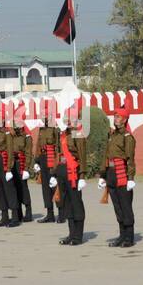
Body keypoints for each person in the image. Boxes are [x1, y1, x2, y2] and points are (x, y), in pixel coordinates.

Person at [100, 103, 137, 247]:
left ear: (125, 119)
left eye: (118, 117)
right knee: (117, 206)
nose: (115, 119)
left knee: (126, 206)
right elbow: (106, 155)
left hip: (122, 174)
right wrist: (103, 175)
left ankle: (129, 237)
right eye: (114, 116)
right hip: (111, 173)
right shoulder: (111, 135)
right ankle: (122, 235)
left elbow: (130, 158)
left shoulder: (127, 137)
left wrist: (131, 177)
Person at [54, 104, 88, 246]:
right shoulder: (63, 134)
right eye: (66, 117)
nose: (67, 120)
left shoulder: (78, 134)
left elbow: (82, 155)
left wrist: (82, 175)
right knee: (66, 203)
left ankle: (78, 236)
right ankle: (71, 234)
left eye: (69, 117)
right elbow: (58, 154)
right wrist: (54, 173)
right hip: (62, 172)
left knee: (76, 203)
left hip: (73, 173)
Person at [33, 106, 61, 223]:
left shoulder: (55, 128)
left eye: (45, 114)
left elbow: (58, 146)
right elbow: (38, 145)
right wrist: (37, 161)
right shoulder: (41, 129)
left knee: (55, 186)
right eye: (42, 115)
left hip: (52, 158)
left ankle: (61, 213)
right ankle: (50, 214)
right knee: (45, 187)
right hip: (43, 158)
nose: (43, 117)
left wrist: (57, 162)